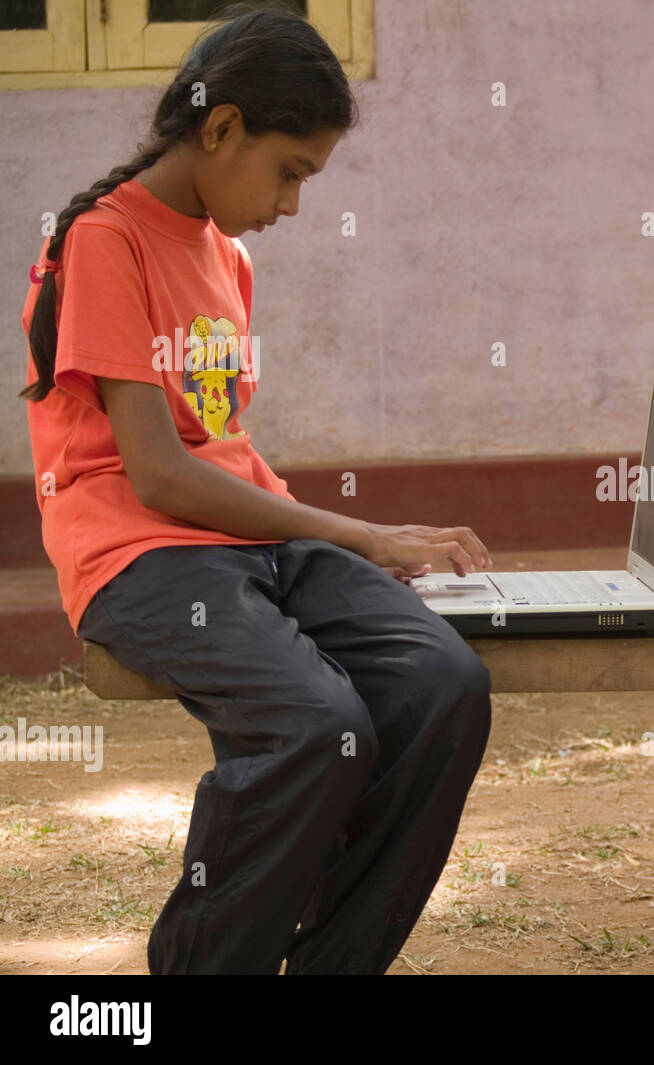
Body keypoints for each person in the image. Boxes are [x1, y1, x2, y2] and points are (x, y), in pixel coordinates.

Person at [19, 6, 493, 975]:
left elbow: (220, 443)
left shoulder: (226, 254)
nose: (291, 206)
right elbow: (157, 470)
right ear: (222, 127)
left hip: (251, 544)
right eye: (290, 173)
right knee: (319, 730)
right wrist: (362, 533)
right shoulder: (107, 242)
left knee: (445, 685)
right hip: (140, 556)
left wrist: (337, 549)